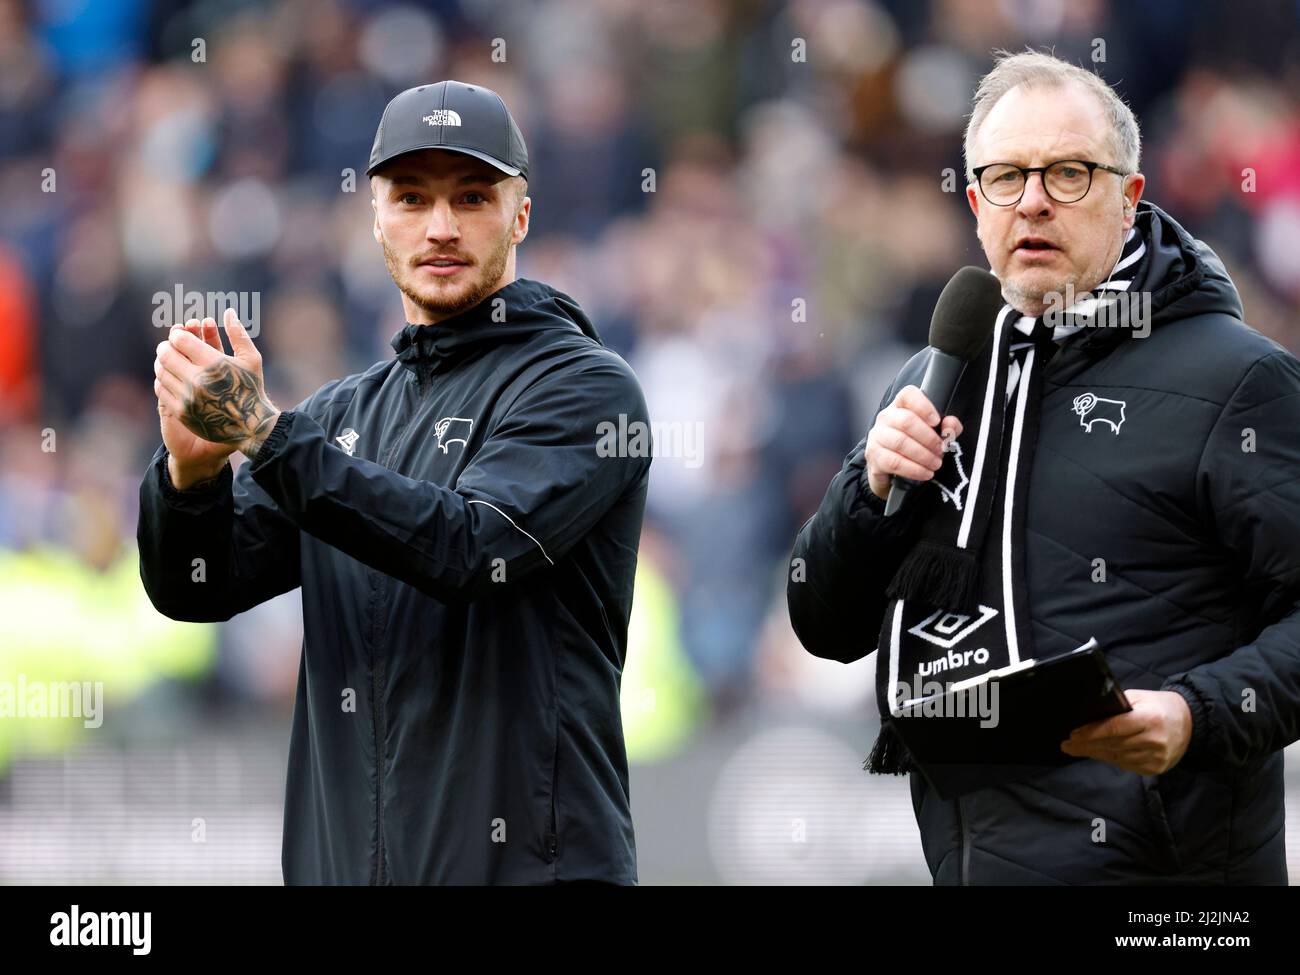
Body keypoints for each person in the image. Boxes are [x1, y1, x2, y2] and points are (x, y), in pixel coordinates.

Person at [787, 50, 1300, 884]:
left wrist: (1196, 715)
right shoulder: (931, 379)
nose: (1031, 200)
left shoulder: (1236, 380)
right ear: (974, 202)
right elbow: (823, 622)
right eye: (1005, 177)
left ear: (1128, 198)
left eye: (1068, 173)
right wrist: (867, 490)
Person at [139, 80, 651, 884]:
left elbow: (470, 547)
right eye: (411, 198)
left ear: (521, 216)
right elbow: (196, 587)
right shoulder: (344, 414)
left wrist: (267, 436)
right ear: (375, 219)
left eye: (472, 197)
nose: (441, 227)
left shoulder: (585, 387)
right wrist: (193, 475)